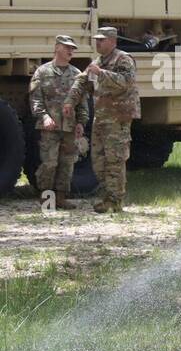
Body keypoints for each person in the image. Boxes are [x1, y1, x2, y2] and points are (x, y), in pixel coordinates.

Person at [73, 26, 139, 213]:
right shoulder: (98, 61)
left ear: (112, 41)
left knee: (115, 159)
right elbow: (84, 81)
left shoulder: (123, 59)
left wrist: (101, 73)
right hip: (101, 117)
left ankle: (115, 201)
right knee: (98, 159)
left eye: (101, 40)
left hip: (118, 117)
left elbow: (126, 81)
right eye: (96, 39)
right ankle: (106, 197)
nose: (97, 42)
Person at [29, 35, 87, 209]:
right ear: (57, 48)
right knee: (49, 162)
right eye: (67, 47)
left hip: (69, 126)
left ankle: (60, 198)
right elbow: (35, 99)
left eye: (72, 48)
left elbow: (82, 102)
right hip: (50, 126)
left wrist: (81, 122)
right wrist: (44, 117)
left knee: (67, 163)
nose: (71, 51)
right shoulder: (42, 72)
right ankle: (47, 198)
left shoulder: (77, 74)